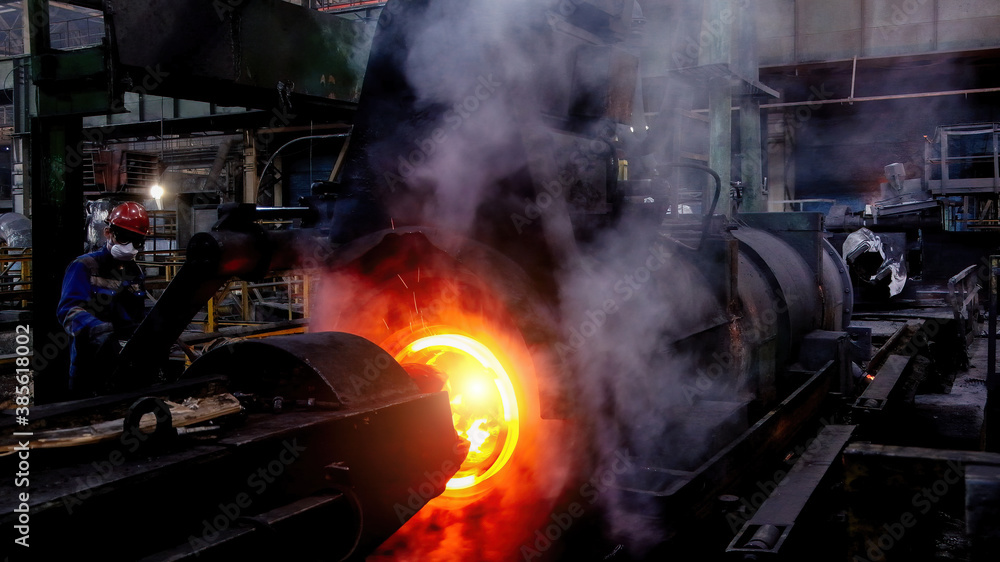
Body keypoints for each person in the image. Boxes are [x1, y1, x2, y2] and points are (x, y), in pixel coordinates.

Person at [57, 201, 149, 394]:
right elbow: (68, 312)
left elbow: (138, 315)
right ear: (108, 233)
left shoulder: (135, 271)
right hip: (89, 368)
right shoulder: (85, 266)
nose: (130, 247)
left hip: (125, 366)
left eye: (136, 241)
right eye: (124, 238)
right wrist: (99, 330)